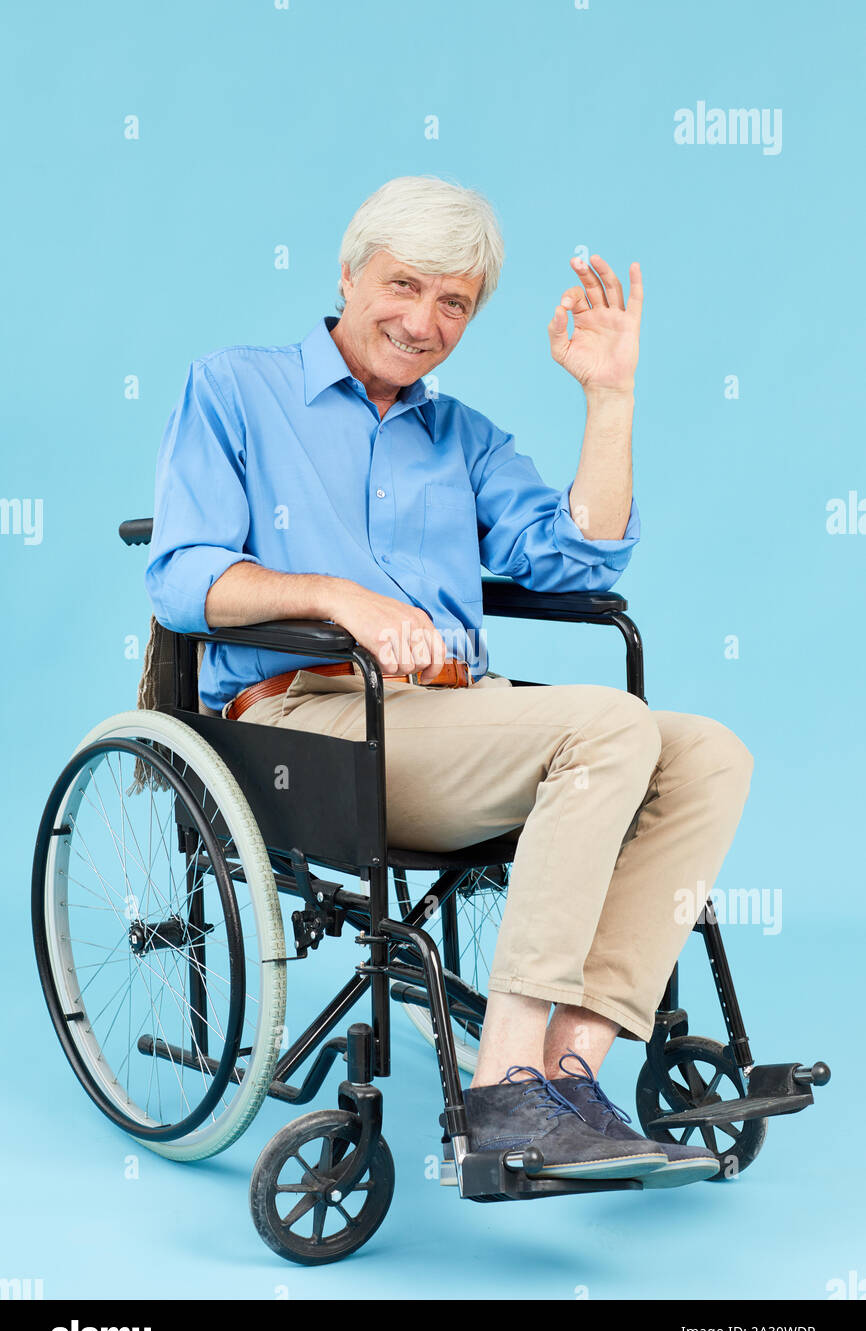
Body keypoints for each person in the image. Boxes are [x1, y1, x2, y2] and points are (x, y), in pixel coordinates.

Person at [146, 175, 754, 1187]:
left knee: (706, 754)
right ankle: (505, 1089)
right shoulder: (236, 388)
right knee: (606, 726)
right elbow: (179, 576)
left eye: (454, 302)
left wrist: (608, 397)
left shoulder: (459, 437)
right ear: (349, 274)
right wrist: (343, 598)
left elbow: (584, 564)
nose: (422, 321)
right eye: (404, 285)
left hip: (447, 721)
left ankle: (568, 1076)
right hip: (307, 723)